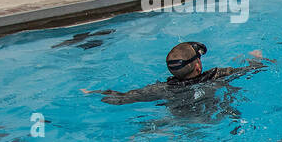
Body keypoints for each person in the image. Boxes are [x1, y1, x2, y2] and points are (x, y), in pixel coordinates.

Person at [86, 41, 265, 104]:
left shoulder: (161, 89)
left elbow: (121, 99)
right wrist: (257, 58)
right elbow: (255, 69)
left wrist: (93, 93)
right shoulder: (218, 75)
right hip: (211, 120)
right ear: (198, 67)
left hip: (180, 123)